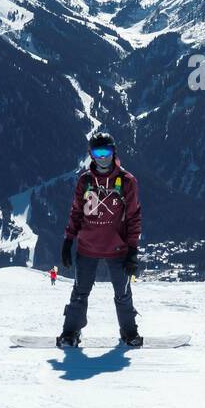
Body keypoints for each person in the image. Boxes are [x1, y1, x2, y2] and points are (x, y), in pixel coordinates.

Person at [58, 132, 143, 347]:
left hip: (118, 249)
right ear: (91, 154)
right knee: (79, 293)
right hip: (87, 247)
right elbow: (76, 212)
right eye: (98, 152)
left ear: (114, 152)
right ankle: (70, 333)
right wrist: (68, 240)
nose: (103, 157)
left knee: (122, 293)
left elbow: (134, 216)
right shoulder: (85, 181)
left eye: (107, 151)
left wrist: (132, 250)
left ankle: (129, 332)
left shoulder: (127, 182)